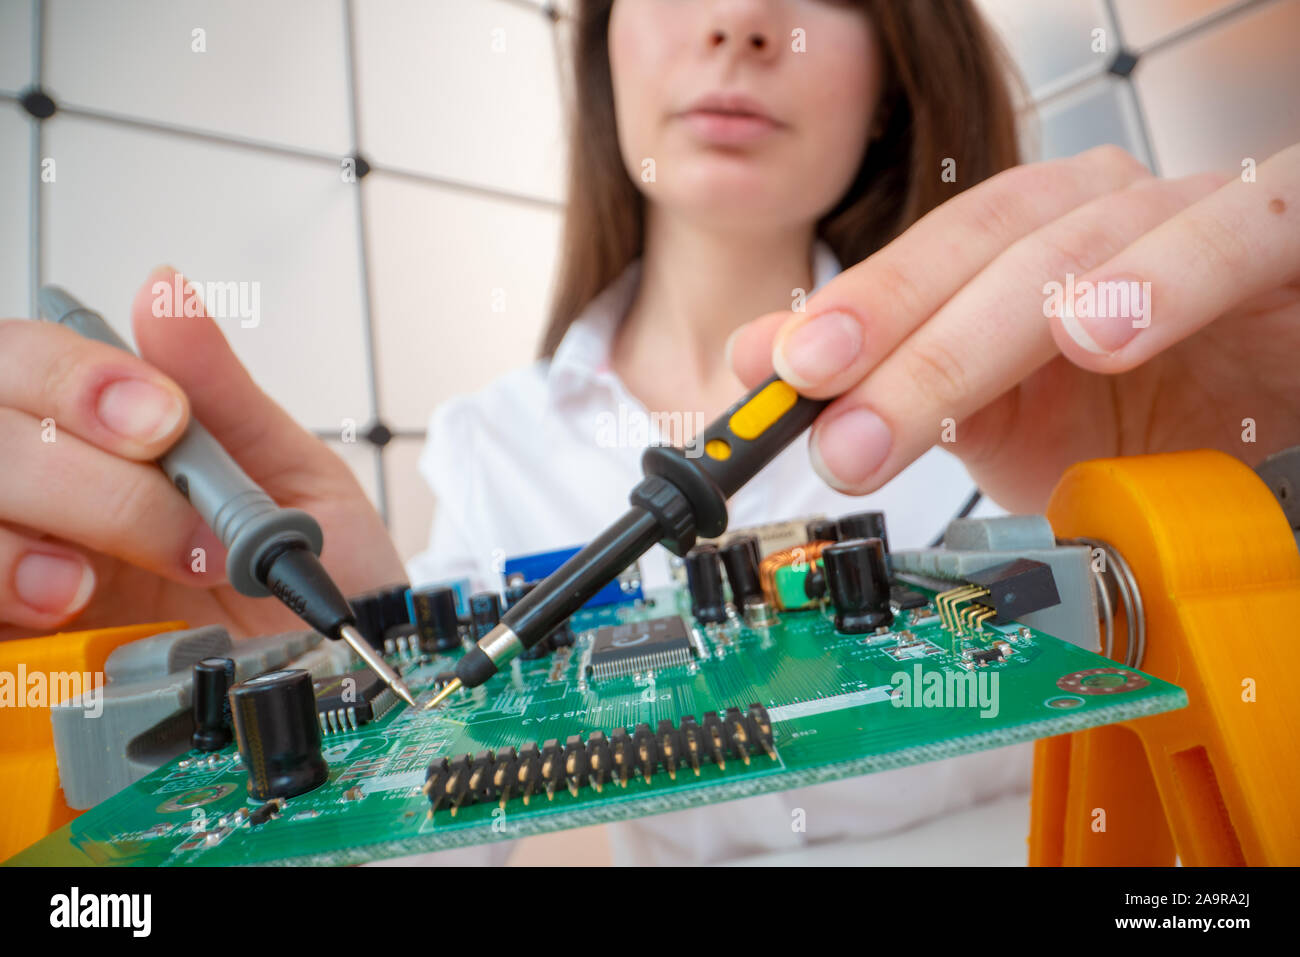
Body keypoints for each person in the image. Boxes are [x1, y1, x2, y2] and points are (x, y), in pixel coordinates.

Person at [0, 0, 1294, 864]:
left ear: (899, 67)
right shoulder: (481, 454)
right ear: (603, 45)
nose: (734, 21)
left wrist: (1262, 508)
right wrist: (316, 738)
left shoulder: (1102, 375)